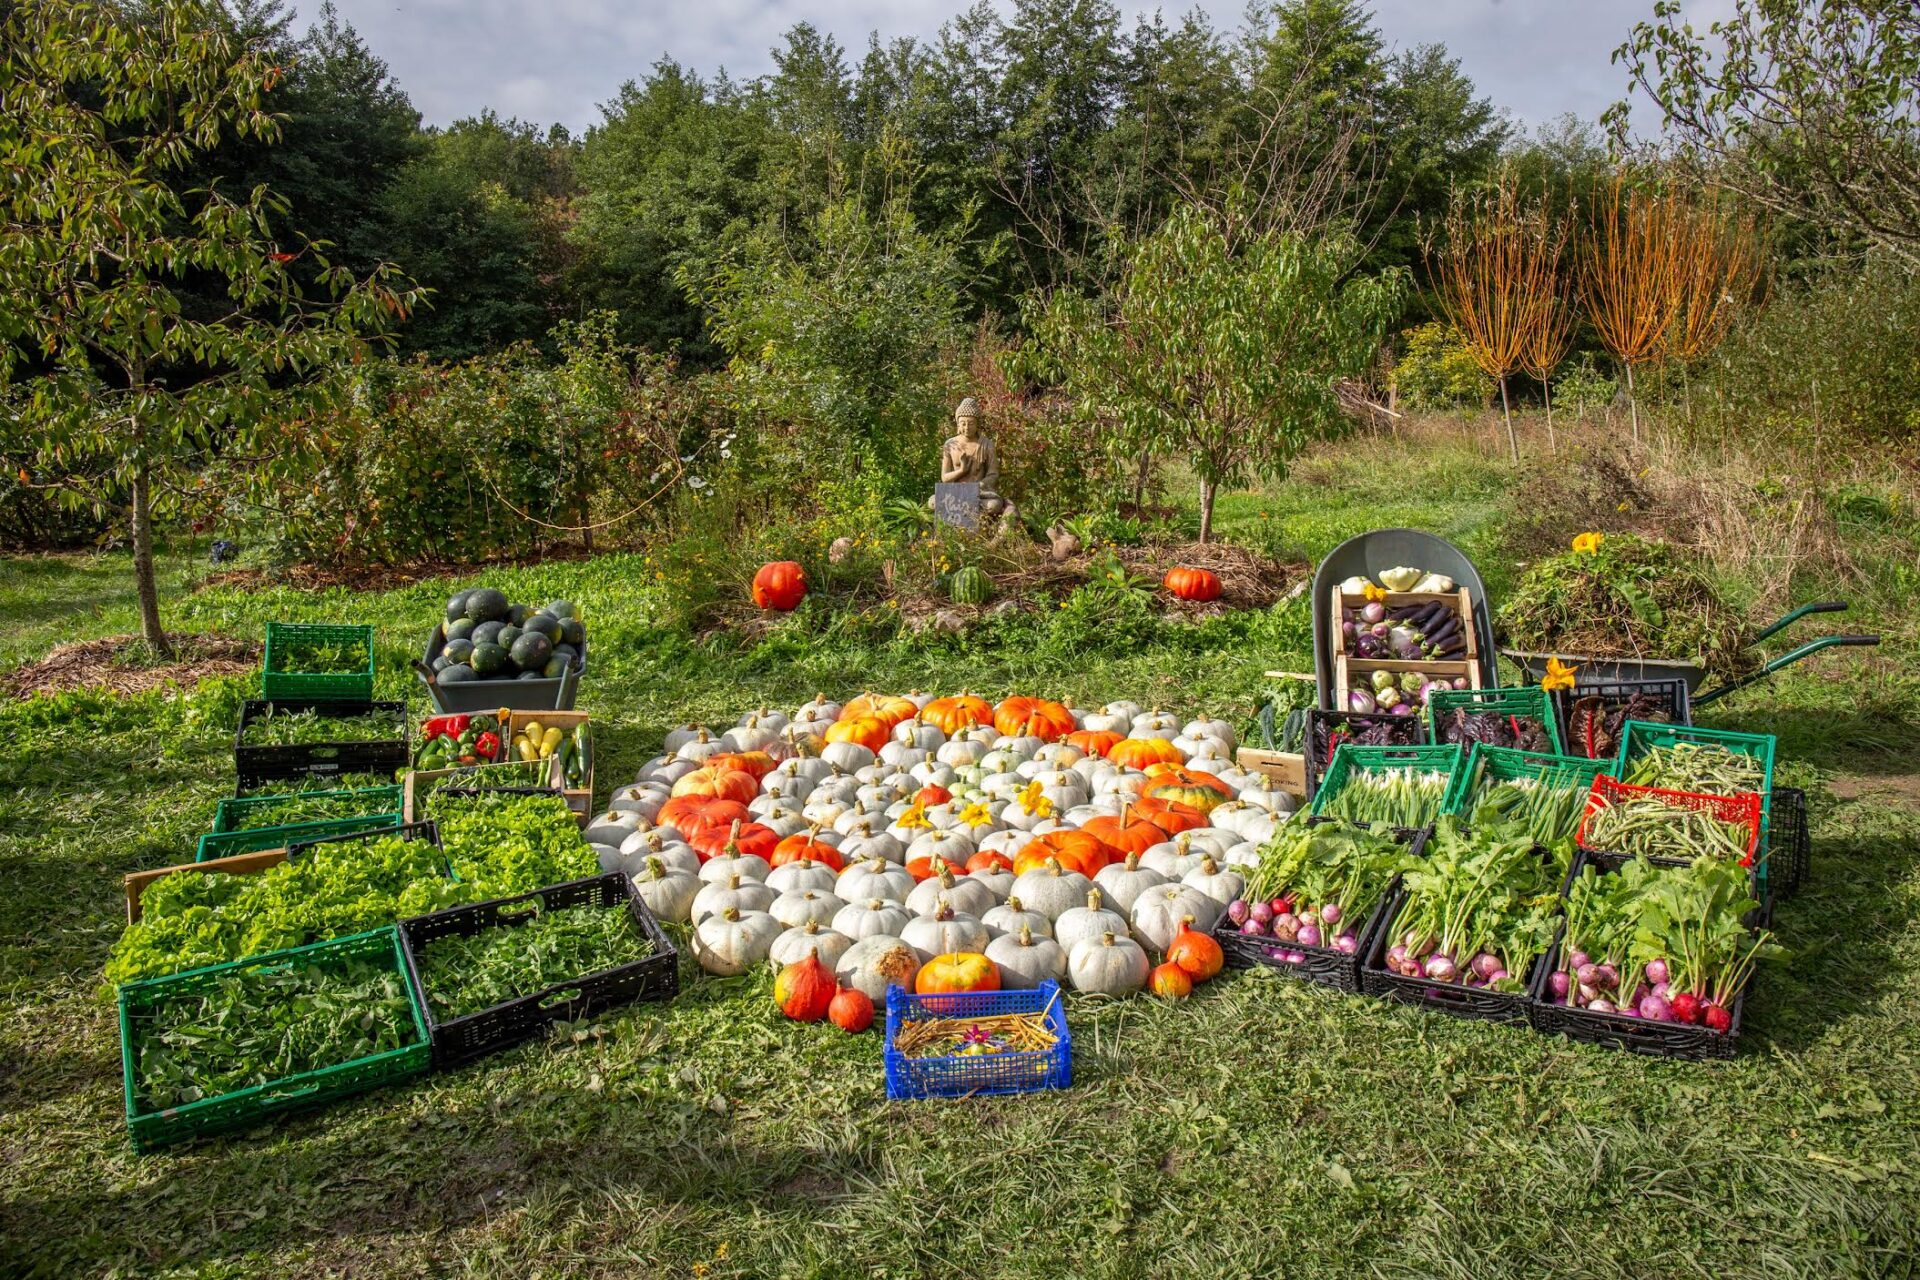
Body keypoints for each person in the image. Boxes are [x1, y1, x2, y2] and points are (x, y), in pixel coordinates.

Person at [933, 397, 1017, 533]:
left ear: (978, 424)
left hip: (980, 492)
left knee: (993, 505)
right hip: (955, 492)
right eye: (963, 423)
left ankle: (976, 529)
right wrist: (961, 471)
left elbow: (993, 474)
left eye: (971, 423)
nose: (966, 427)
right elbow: (945, 478)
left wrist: (978, 486)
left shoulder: (986, 444)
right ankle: (955, 529)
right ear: (958, 424)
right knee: (933, 501)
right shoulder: (950, 444)